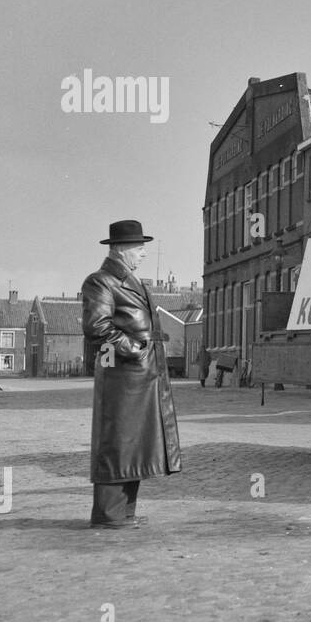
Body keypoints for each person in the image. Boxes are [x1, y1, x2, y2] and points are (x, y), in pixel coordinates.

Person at [81, 220, 182, 530]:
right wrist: (135, 348)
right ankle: (109, 515)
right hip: (124, 375)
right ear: (122, 250)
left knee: (135, 442)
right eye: (139, 248)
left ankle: (124, 512)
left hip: (141, 374)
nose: (144, 254)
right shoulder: (101, 282)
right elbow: (96, 327)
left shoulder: (129, 281)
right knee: (119, 440)